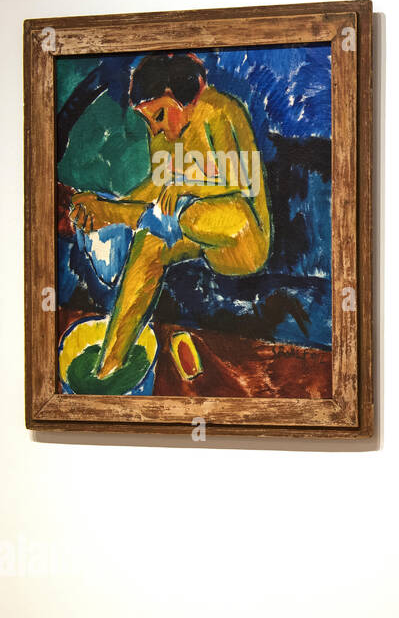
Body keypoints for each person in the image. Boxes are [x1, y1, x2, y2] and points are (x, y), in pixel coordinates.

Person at [65, 53, 271, 382]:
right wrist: (116, 202)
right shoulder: (161, 135)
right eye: (150, 122)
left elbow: (243, 180)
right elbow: (159, 186)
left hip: (241, 236)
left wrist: (187, 185)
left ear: (184, 95)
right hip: (192, 234)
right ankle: (108, 363)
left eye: (160, 115)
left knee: (188, 216)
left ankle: (121, 214)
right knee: (150, 242)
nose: (157, 128)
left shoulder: (220, 110)